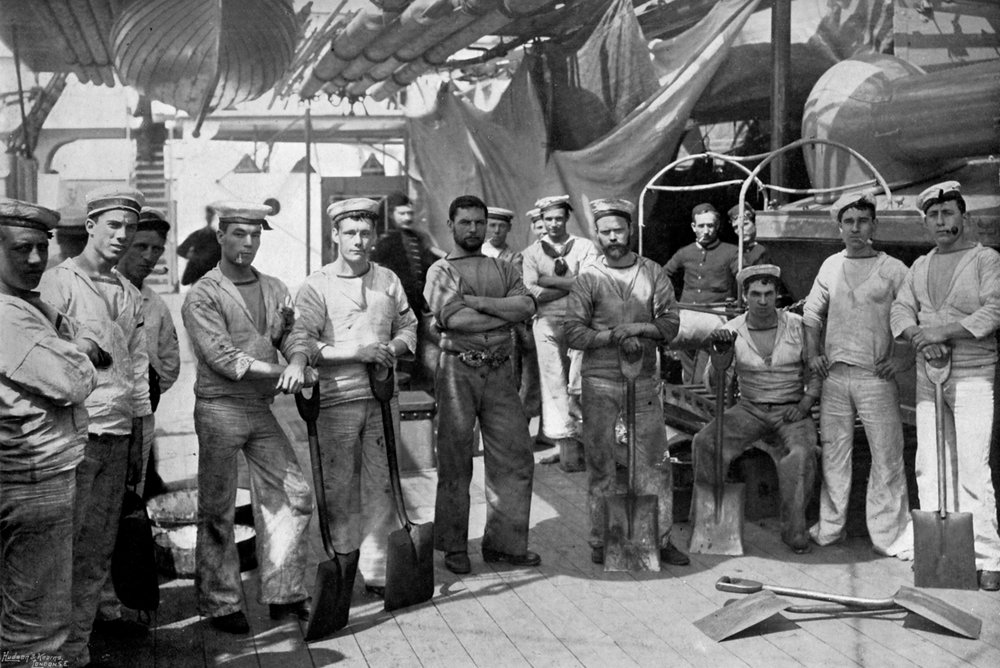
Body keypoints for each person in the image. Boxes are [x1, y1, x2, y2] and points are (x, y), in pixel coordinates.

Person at [181, 202, 315, 633]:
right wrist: (285, 371)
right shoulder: (203, 294)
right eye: (239, 234)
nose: (248, 243)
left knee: (295, 494)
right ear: (219, 235)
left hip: (259, 409)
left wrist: (296, 358)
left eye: (256, 235)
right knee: (217, 508)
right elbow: (225, 358)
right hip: (220, 408)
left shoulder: (275, 287)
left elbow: (292, 334)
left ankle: (284, 592)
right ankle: (221, 603)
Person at [38, 186, 151, 667]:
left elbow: (139, 367)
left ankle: (78, 651)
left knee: (98, 551)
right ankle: (46, 654)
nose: (123, 236)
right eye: (113, 226)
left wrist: (142, 429)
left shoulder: (128, 291)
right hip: (74, 436)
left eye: (129, 227)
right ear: (90, 227)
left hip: (120, 434)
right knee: (59, 554)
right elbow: (39, 355)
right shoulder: (57, 283)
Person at [285, 198, 417, 598]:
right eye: (350, 233)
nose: (358, 241)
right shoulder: (316, 285)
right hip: (337, 399)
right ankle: (343, 565)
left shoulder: (388, 279)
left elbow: (409, 327)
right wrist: (355, 353)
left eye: (365, 233)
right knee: (339, 489)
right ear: (335, 236)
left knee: (382, 486)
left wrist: (390, 349)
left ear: (374, 236)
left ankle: (378, 572)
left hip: (382, 396)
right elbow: (302, 341)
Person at [563, 197, 689, 566]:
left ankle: (661, 537)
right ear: (597, 235)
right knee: (601, 465)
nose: (613, 237)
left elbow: (670, 325)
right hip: (599, 381)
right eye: (605, 232)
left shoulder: (652, 273)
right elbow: (573, 332)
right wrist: (613, 337)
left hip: (644, 381)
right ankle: (602, 538)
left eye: (619, 230)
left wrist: (636, 328)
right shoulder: (588, 278)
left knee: (654, 463)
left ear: (631, 230)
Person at [0, 199, 98, 661]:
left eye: (42, 248)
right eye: (22, 249)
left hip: (34, 475)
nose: (37, 260)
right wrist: (74, 350)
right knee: (37, 632)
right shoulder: (8, 315)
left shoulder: (28, 305)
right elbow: (74, 378)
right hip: (31, 477)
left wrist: (71, 346)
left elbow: (100, 341)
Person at [890, 180, 1000, 590]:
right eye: (933, 216)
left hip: (972, 374)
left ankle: (988, 558)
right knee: (929, 465)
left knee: (973, 467)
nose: (941, 221)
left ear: (964, 218)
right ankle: (936, 553)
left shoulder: (985, 259)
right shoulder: (920, 266)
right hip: (928, 374)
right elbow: (901, 309)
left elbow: (993, 311)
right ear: (926, 223)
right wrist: (917, 336)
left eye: (948, 213)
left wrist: (942, 333)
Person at [424, 194, 540, 575]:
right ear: (451, 226)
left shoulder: (503, 267)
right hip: (458, 369)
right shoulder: (441, 271)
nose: (473, 229)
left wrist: (478, 303)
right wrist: (499, 314)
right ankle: (454, 545)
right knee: (456, 457)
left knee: (515, 455)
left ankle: (505, 544)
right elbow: (456, 320)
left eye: (479, 222)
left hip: (501, 371)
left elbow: (526, 307)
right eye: (465, 223)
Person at [804, 193, 913, 559]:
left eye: (862, 221)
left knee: (887, 456)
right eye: (848, 222)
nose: (855, 228)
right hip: (835, 377)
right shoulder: (831, 266)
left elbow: (912, 316)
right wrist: (813, 354)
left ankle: (888, 537)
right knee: (834, 455)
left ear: (874, 225)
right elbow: (810, 316)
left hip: (875, 378)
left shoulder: (894, 269)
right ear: (840, 227)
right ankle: (830, 529)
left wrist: (900, 360)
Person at [91, 207, 182, 637]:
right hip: (95, 423)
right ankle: (94, 611)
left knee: (125, 512)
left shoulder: (155, 305)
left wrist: (147, 386)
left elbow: (169, 362)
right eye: (140, 245)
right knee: (92, 518)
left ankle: (115, 607)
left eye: (155, 249)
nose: (147, 256)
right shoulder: (94, 292)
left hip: (139, 421)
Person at [692, 264, 820, 553]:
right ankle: (708, 521)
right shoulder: (730, 330)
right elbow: (713, 385)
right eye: (755, 294)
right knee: (706, 441)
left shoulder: (797, 326)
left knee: (801, 454)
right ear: (745, 296)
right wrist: (719, 356)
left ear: (777, 295)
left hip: (791, 409)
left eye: (768, 293)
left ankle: (794, 531)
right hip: (749, 408)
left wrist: (804, 404)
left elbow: (815, 372)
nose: (762, 301)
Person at [522, 195, 598, 469]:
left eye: (558, 218)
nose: (553, 224)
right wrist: (570, 283)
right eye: (548, 219)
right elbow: (531, 292)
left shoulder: (584, 246)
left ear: (567, 218)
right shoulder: (531, 253)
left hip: (580, 321)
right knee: (553, 385)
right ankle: (567, 453)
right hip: (546, 326)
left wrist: (547, 280)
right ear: (541, 221)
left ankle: (590, 448)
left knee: (580, 384)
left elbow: (590, 283)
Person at [371, 193, 443, 389]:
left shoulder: (418, 239)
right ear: (391, 214)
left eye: (410, 213)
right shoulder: (384, 242)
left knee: (416, 353)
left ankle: (416, 392)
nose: (407, 217)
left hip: (417, 307)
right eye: (402, 213)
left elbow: (430, 265)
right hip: (392, 307)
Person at [664, 203, 740, 383]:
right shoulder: (685, 252)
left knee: (708, 369)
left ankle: (706, 396)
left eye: (710, 225)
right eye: (701, 226)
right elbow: (663, 274)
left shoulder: (731, 252)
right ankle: (690, 399)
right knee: (687, 364)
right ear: (693, 227)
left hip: (717, 315)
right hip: (686, 313)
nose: (706, 231)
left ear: (718, 226)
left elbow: (742, 278)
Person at [177, 205, 221, 286]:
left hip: (211, 277)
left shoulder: (217, 238)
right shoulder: (198, 235)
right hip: (197, 275)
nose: (209, 218)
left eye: (211, 216)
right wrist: (190, 256)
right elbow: (180, 250)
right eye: (208, 215)